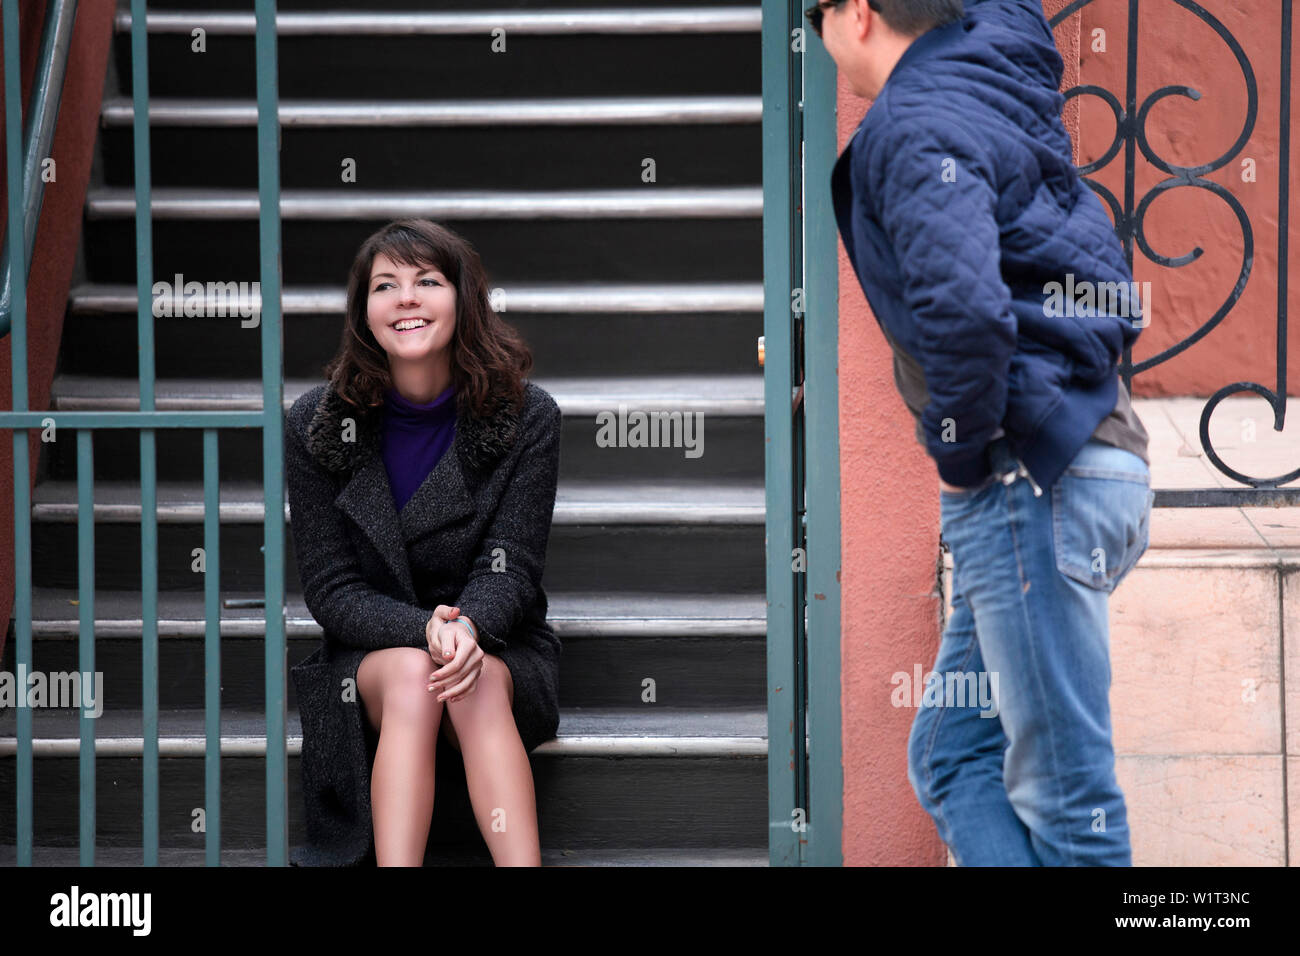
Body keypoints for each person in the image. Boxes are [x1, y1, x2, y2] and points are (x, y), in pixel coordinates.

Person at [812, 0, 1154, 864]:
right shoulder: (993, 83)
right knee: (950, 751)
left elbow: (966, 317)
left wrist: (959, 460)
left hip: (1025, 481)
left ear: (857, 12)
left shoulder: (915, 119)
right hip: (1089, 461)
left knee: (1072, 811)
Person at [285, 218, 563, 866]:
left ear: (463, 300)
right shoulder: (316, 425)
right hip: (373, 658)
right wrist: (426, 631)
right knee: (416, 673)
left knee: (470, 683)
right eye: (385, 285)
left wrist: (467, 631)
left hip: (498, 644)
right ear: (365, 311)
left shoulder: (527, 417)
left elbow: (512, 566)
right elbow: (332, 590)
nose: (405, 298)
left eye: (427, 281)